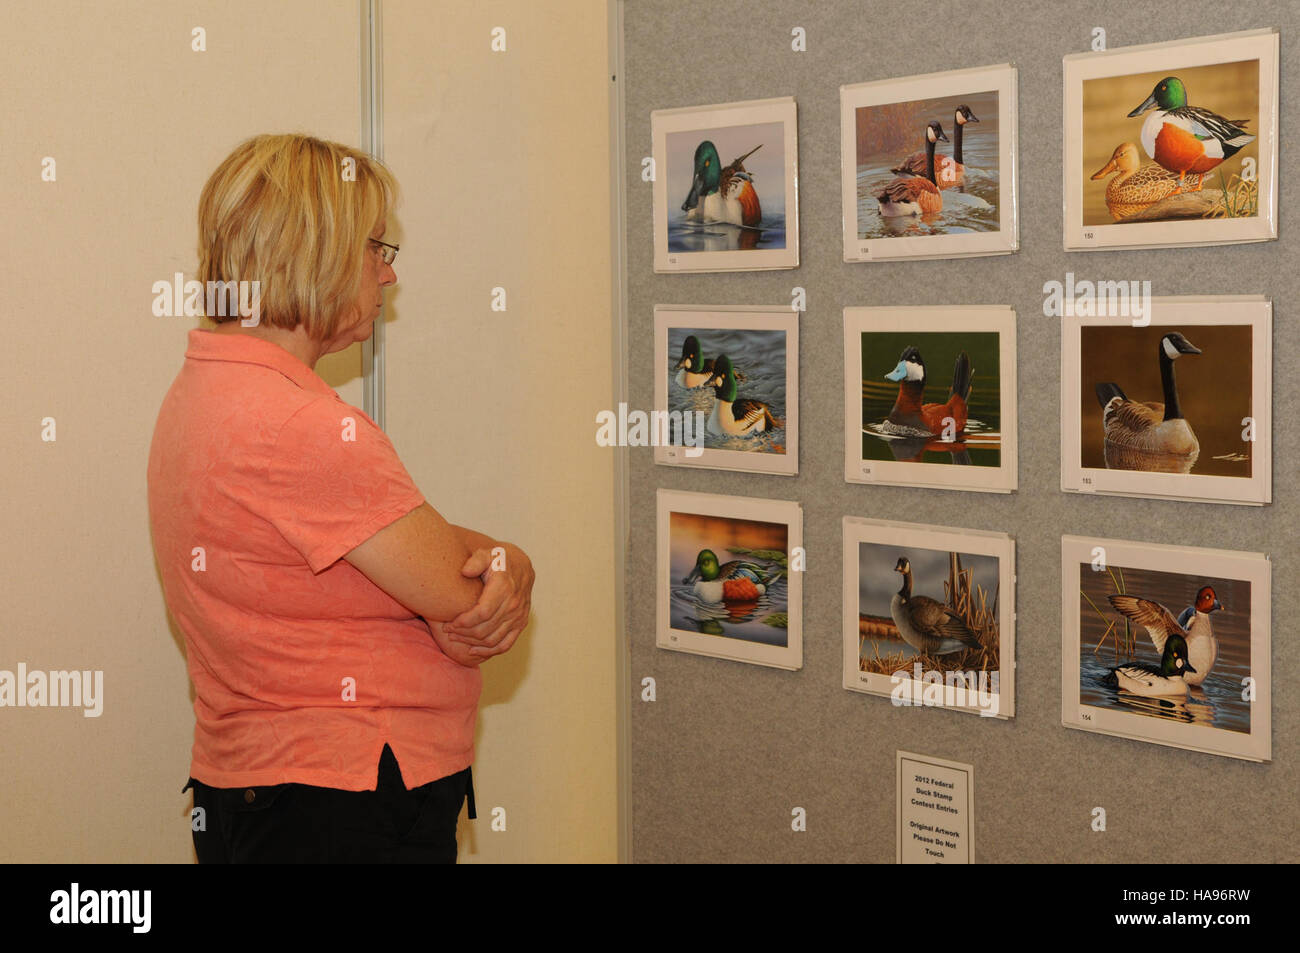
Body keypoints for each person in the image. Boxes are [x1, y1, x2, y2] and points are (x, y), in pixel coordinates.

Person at [146, 133, 534, 863]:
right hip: (340, 804)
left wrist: (471, 566)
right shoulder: (302, 425)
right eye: (375, 248)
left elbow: (413, 560)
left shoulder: (202, 390)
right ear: (314, 252)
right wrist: (513, 562)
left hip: (260, 793)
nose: (388, 275)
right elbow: (458, 585)